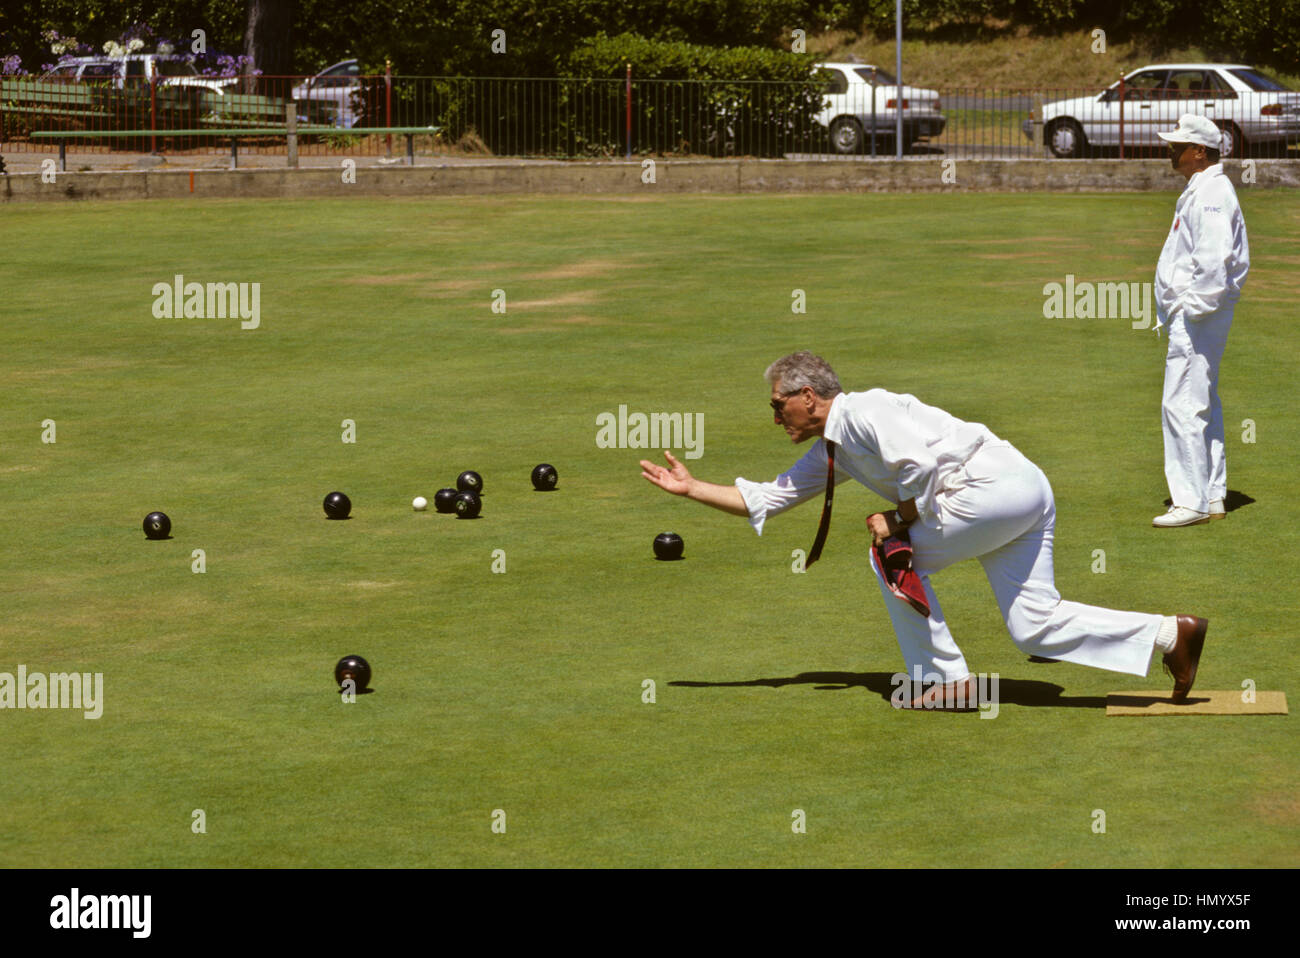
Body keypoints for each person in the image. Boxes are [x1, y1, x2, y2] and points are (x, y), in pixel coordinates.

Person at [639, 351, 1208, 709]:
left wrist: (898, 519)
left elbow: (924, 469)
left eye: (777, 405)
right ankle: (1169, 634)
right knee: (1033, 628)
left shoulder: (866, 411)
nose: (774, 417)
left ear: (806, 397)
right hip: (1021, 492)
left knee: (888, 553)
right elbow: (768, 498)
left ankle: (947, 679)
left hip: (992, 489)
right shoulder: (831, 448)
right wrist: (694, 489)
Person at [1151, 113, 1250, 527]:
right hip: (1198, 314)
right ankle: (1211, 495)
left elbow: (1214, 260)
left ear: (1199, 152)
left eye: (1179, 145)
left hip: (1198, 316)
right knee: (1201, 400)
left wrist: (1190, 310)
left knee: (1182, 404)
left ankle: (1189, 502)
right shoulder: (1204, 189)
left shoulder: (1212, 192)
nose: (1171, 150)